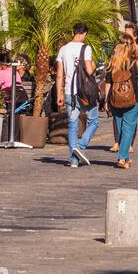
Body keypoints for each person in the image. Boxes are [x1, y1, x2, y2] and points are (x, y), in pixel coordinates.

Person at [104, 29, 138, 168]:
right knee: (128, 129)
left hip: (114, 98)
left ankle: (125, 157)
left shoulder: (112, 62)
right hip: (132, 98)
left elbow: (107, 82)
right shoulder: (136, 62)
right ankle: (122, 158)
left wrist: (106, 101)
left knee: (120, 127)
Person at [56, 22, 99, 168]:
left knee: (73, 126)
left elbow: (59, 75)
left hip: (69, 92)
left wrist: (59, 94)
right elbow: (90, 70)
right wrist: (93, 63)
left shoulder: (63, 49)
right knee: (94, 121)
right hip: (84, 93)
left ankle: (74, 161)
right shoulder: (85, 48)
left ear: (73, 32)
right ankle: (80, 147)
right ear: (83, 34)